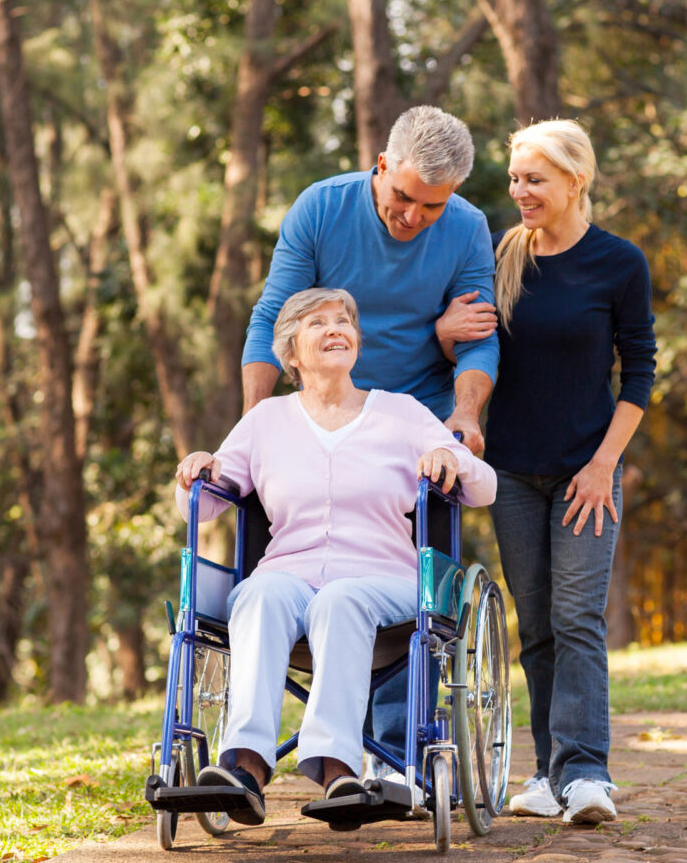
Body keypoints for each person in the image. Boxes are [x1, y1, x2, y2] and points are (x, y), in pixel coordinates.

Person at [178, 288, 496, 825]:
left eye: (343, 321)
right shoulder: (265, 421)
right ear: (291, 353)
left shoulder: (400, 413)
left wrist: (451, 454)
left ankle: (338, 772)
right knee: (255, 593)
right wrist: (197, 468)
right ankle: (245, 769)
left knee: (340, 600)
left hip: (384, 581)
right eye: (318, 323)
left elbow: (484, 487)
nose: (335, 329)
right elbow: (204, 504)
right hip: (288, 575)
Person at [482, 120, 656, 825]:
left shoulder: (619, 262)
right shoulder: (502, 255)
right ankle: (548, 774)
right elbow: (471, 345)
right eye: (515, 179)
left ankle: (586, 774)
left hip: (588, 471)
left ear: (575, 180)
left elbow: (639, 372)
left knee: (577, 616)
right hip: (512, 474)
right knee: (537, 628)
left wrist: (603, 464)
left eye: (535, 179)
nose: (520, 192)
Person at [242, 105, 498, 452]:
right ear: (383, 165)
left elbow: (477, 340)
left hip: (422, 424)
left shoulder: (468, 227)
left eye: (432, 207)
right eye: (403, 197)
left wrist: (466, 413)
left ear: (454, 189)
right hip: (325, 420)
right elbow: (273, 317)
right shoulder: (320, 207)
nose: (412, 217)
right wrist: (252, 420)